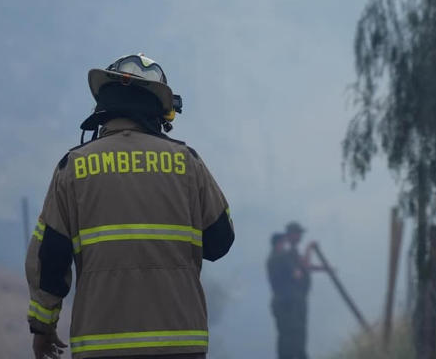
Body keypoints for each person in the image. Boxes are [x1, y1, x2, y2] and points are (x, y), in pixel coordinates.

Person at [25, 53, 235, 359]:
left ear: (105, 106)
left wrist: (43, 327)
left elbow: (50, 258)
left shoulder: (72, 168)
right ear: (159, 112)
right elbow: (220, 241)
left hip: (101, 346)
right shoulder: (187, 164)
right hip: (178, 344)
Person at [268, 222, 325, 359]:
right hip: (288, 302)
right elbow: (300, 271)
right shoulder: (281, 256)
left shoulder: (286, 254)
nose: (300, 236)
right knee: (293, 336)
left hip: (292, 301)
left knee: (293, 336)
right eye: (297, 233)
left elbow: (303, 265)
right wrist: (309, 250)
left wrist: (323, 268)